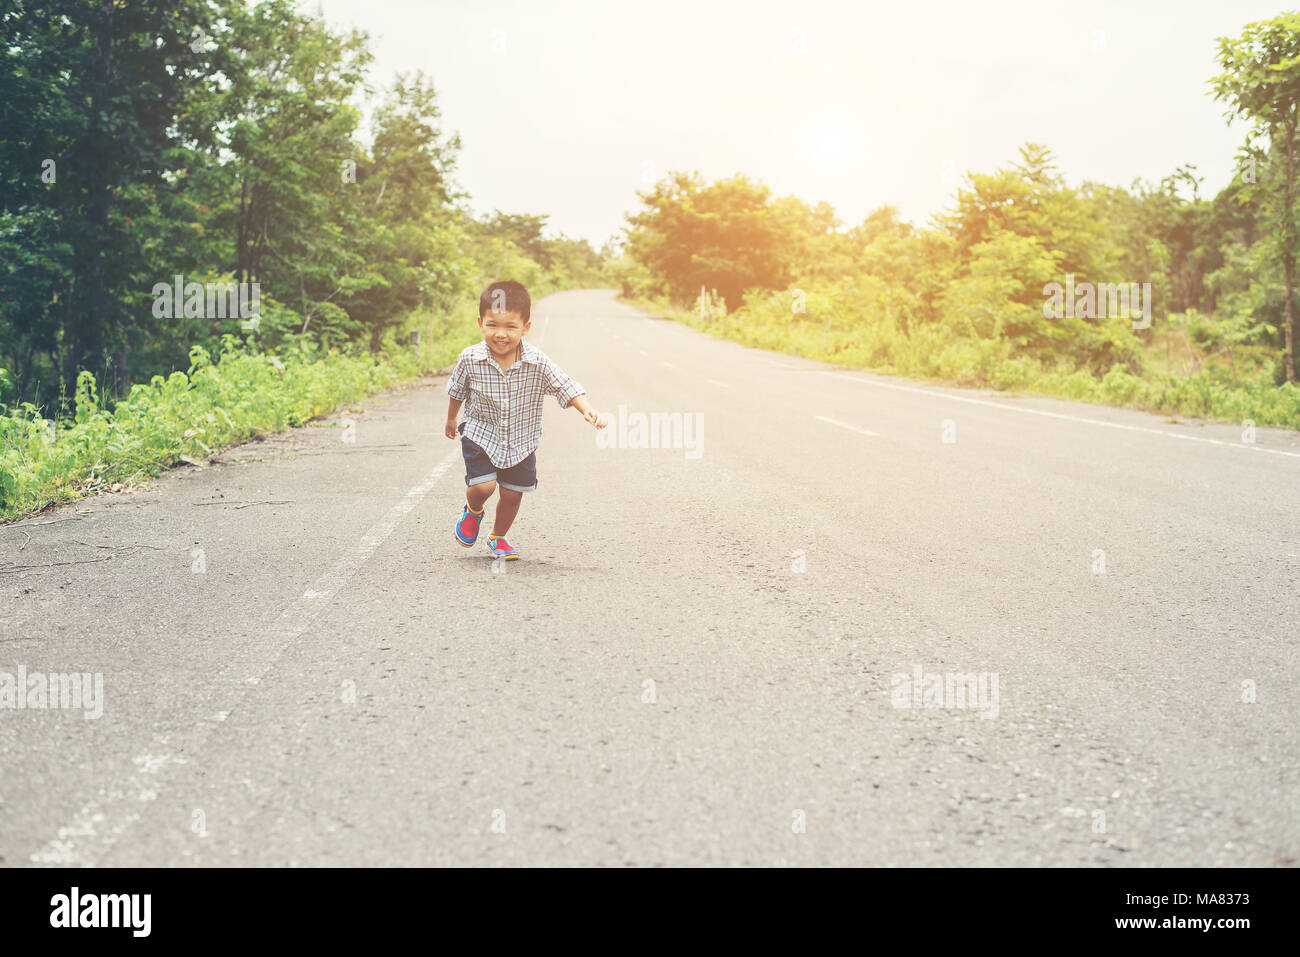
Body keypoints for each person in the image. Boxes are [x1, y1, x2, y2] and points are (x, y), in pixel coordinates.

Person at [444, 280, 605, 560]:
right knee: (484, 486)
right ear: (480, 322)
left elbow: (564, 384)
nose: (501, 334)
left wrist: (586, 409)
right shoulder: (470, 358)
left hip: (521, 439)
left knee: (512, 495)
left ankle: (498, 537)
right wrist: (451, 419)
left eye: (510, 327)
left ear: (526, 327)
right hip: (481, 432)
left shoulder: (537, 362)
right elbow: (457, 390)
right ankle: (473, 511)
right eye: (493, 325)